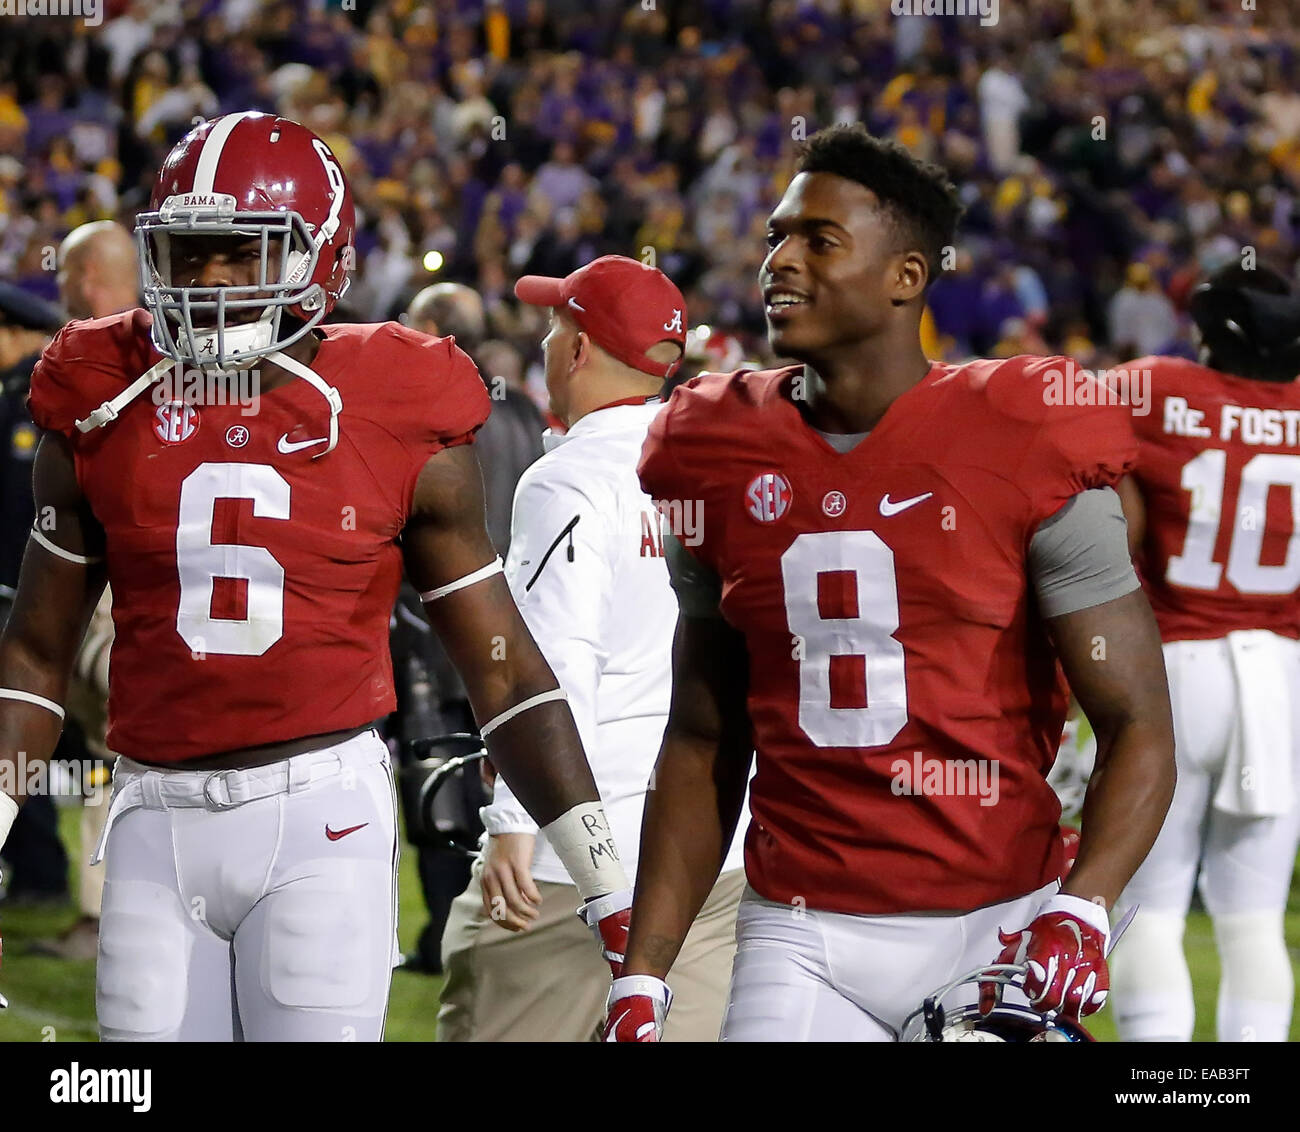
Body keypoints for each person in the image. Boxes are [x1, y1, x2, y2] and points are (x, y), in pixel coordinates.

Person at [0, 112, 631, 1041]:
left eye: (242, 254)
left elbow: (501, 670)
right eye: (188, 252)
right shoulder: (100, 394)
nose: (209, 281)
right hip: (151, 808)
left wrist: (608, 886)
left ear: (317, 260)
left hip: (317, 810)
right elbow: (38, 650)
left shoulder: (389, 401)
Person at [609, 124, 1176, 1042]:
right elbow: (704, 733)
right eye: (775, 238)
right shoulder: (706, 446)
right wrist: (645, 973)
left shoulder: (1026, 433)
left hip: (1001, 923)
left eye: (818, 241)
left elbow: (1139, 721)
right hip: (801, 930)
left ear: (906, 276)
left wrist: (1086, 907)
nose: (779, 262)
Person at [438, 256, 747, 1041]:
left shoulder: (568, 479)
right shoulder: (717, 468)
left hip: (579, 857)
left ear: (577, 350)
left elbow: (549, 669)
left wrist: (515, 815)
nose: (545, 343)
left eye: (554, 325)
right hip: (711, 844)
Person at [1110, 263, 1300, 1042]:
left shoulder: (1160, 389)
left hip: (1178, 669)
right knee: (1253, 917)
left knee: (1147, 912)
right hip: (1283, 678)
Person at [394, 281, 546, 975]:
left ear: (432, 327)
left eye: (410, 319)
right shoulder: (523, 411)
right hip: (507, 633)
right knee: (489, 781)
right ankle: (482, 925)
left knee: (434, 789)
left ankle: (442, 938)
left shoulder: (436, 405)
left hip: (437, 628)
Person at [30, 221, 142, 961]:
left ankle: (111, 917)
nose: (59, 288)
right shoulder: (158, 350)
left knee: (117, 753)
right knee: (109, 759)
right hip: (139, 580)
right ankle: (110, 913)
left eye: (68, 274)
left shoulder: (105, 360)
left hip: (119, 585)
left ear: (90, 277)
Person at [0, 283, 73, 910]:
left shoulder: (30, 397)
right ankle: (33, 870)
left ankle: (41, 870)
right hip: (14, 587)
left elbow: (27, 511)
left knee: (18, 729)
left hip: (19, 590)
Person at [57, 221, 140, 323]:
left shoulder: (81, 337)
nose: (60, 282)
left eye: (64, 272)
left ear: (89, 273)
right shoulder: (158, 332)